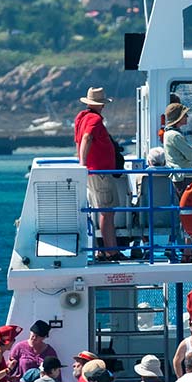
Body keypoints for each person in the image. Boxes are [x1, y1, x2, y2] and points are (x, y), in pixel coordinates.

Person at [75, 88, 127, 260]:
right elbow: (87, 138)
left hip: (96, 173)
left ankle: (103, 249)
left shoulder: (82, 117)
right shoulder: (94, 119)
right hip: (100, 173)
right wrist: (83, 164)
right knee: (107, 211)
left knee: (104, 211)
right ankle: (111, 251)